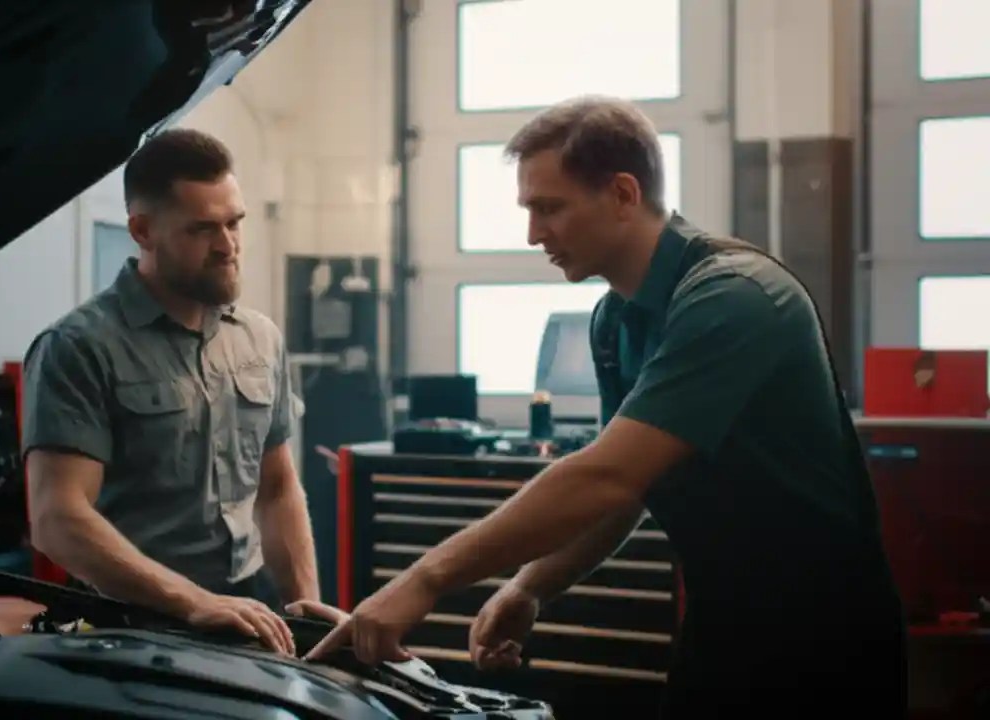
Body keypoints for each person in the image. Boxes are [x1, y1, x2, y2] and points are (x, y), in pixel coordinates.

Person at [306, 97, 907, 717]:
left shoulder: (736, 297)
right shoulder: (614, 320)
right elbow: (626, 490)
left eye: (550, 208)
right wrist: (530, 586)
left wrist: (424, 579)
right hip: (722, 626)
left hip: (823, 638)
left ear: (623, 193)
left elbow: (606, 474)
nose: (534, 233)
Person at [21, 128, 341, 657]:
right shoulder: (79, 347)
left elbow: (278, 487)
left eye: (235, 223)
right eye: (202, 230)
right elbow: (57, 518)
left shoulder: (260, 339)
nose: (228, 246)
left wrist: (305, 613)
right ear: (143, 231)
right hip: (129, 622)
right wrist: (191, 601)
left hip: (250, 609)